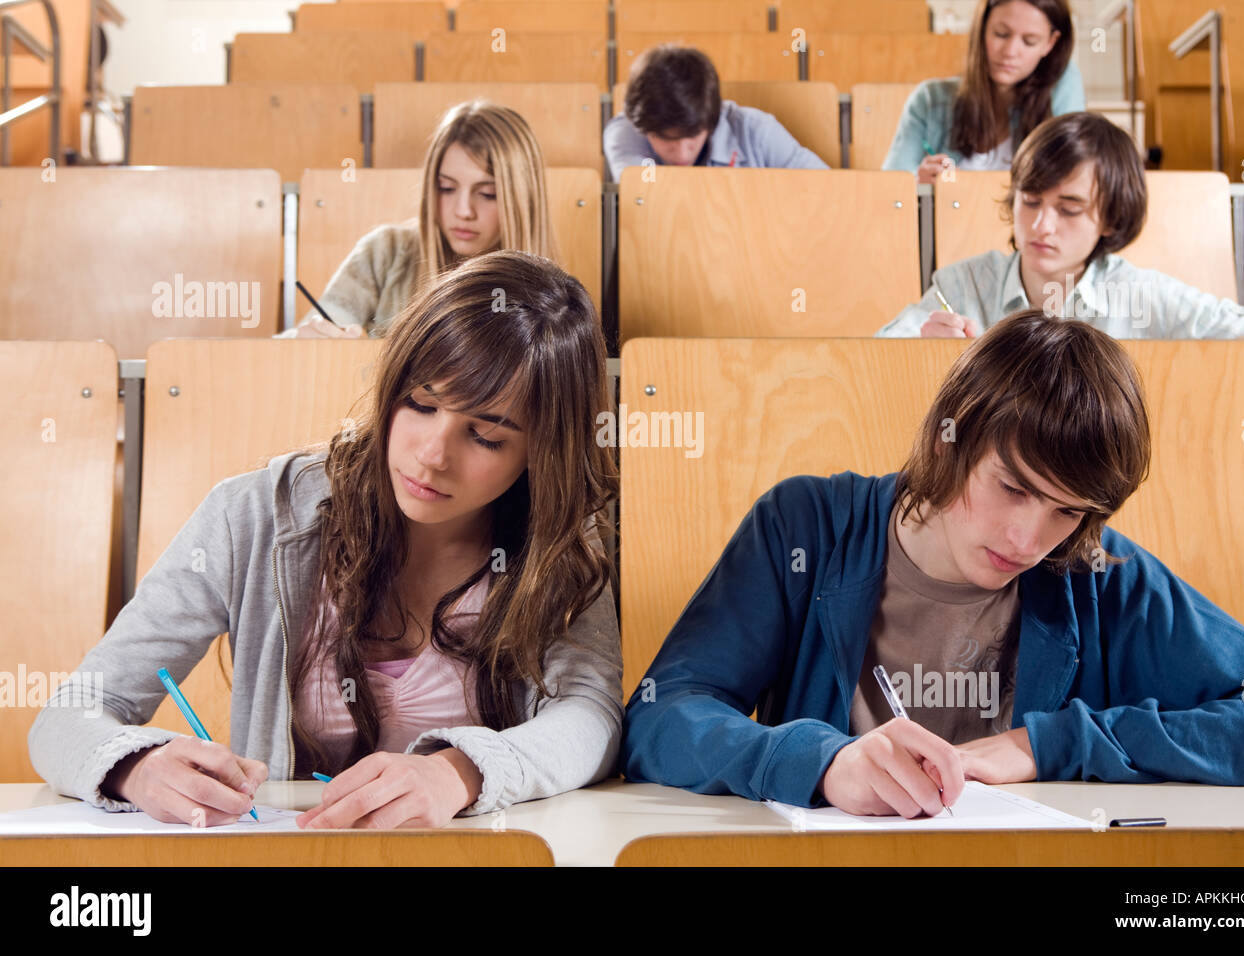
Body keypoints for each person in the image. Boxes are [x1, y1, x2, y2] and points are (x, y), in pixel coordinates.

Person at [621, 312, 1244, 816]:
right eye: (1013, 487)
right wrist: (820, 761)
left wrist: (1049, 745)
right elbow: (661, 715)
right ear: (953, 440)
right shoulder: (804, 525)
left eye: (1067, 511)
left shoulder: (1098, 575)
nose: (1030, 538)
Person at [30, 251, 622, 829]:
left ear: (541, 452)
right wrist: (137, 765)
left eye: (487, 436)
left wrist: (461, 772)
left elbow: (591, 718)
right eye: (420, 403)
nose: (432, 455)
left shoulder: (559, 542)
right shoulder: (256, 514)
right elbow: (68, 715)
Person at [878, 112, 1244, 339]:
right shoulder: (962, 286)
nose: (1041, 225)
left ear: (1111, 217)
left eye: (1070, 208)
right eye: (1030, 201)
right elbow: (880, 353)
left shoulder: (1142, 296)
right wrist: (922, 349)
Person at [281, 101, 555, 339]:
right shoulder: (386, 253)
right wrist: (312, 340)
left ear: (522, 200)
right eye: (446, 188)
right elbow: (305, 343)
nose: (463, 211)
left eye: (488, 194)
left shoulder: (552, 294)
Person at [883, 0, 1083, 183]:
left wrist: (1065, 76)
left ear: (1050, 43)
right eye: (1001, 34)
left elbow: (1068, 179)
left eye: (1029, 41)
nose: (1010, 51)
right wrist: (918, 183)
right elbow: (890, 186)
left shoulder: (1063, 86)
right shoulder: (929, 99)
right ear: (982, 29)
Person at [603, 44, 829, 182]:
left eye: (692, 137)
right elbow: (645, 200)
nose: (682, 155)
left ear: (713, 120)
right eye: (665, 139)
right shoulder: (624, 133)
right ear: (643, 129)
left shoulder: (757, 130)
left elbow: (828, 189)